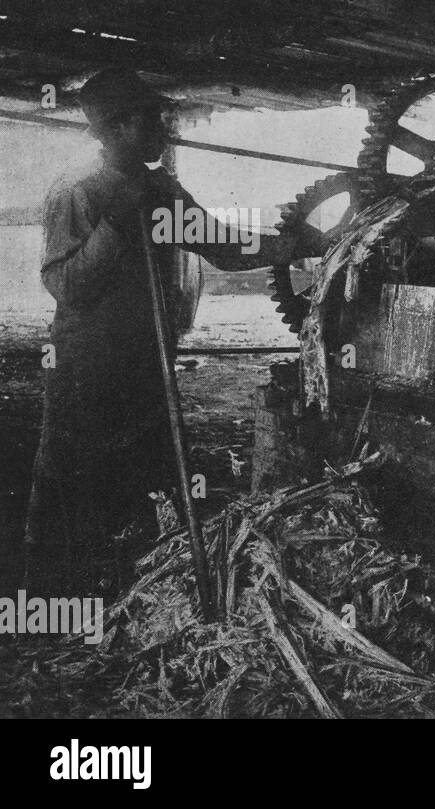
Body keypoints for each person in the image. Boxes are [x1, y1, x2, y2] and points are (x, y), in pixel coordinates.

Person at [23, 68, 299, 595]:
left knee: (151, 470)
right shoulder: (78, 191)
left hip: (148, 355)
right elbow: (64, 285)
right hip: (89, 363)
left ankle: (140, 589)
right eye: (152, 118)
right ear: (120, 126)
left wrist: (296, 244)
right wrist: (116, 230)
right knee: (74, 472)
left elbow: (220, 245)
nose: (164, 128)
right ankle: (56, 593)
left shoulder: (159, 188)